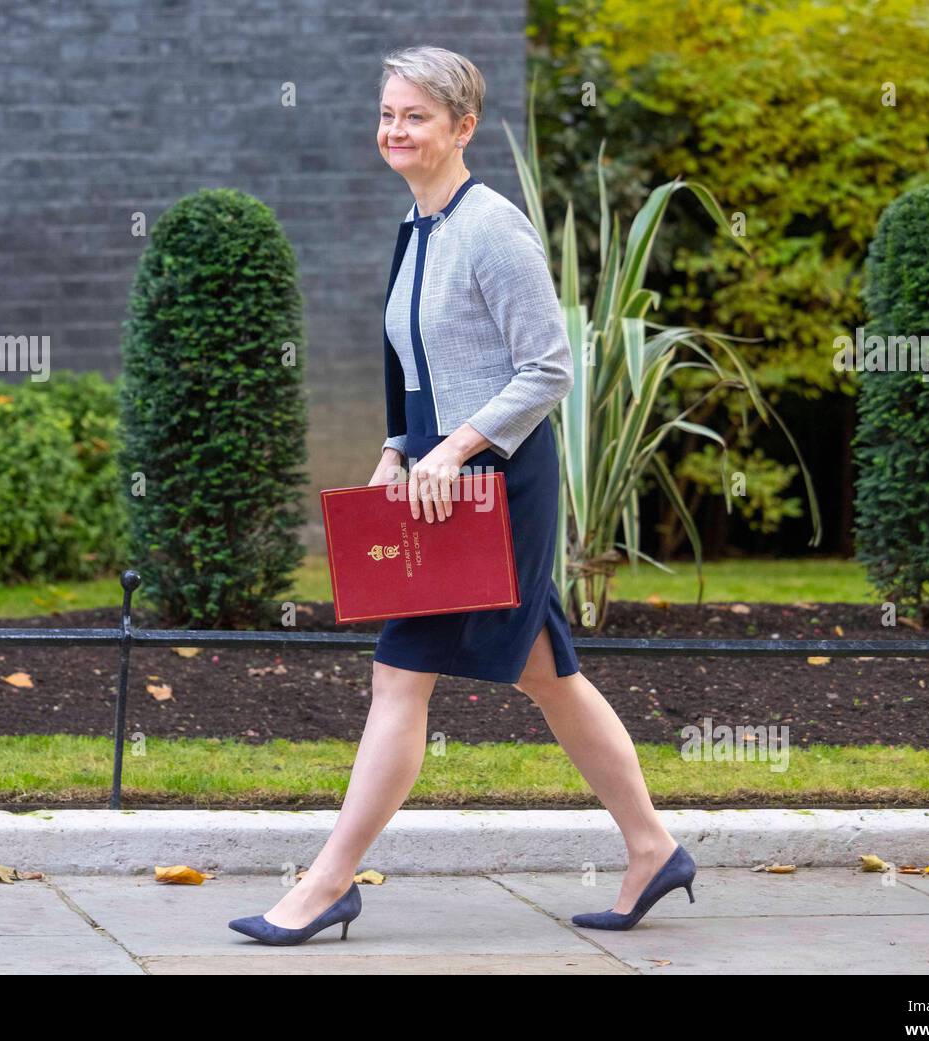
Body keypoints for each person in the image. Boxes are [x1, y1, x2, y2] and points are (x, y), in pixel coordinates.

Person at [227, 45, 694, 947]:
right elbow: (423, 372)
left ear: (463, 127)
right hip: (442, 485)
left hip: (491, 490)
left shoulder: (492, 228)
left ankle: (326, 884)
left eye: (415, 117)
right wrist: (401, 448)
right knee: (549, 676)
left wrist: (456, 450)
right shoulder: (418, 229)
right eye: (387, 115)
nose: (394, 131)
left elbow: (548, 367)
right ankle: (652, 847)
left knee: (399, 675)